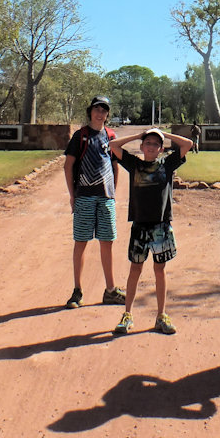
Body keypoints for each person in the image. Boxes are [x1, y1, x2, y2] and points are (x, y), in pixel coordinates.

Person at [108, 127, 194, 335]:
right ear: (142, 146)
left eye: (156, 144)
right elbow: (113, 145)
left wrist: (164, 133)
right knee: (135, 269)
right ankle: (127, 314)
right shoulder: (134, 164)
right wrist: (139, 135)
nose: (151, 147)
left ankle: (161, 315)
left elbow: (188, 144)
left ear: (161, 148)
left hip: (161, 226)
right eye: (148, 143)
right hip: (140, 225)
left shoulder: (167, 164)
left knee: (159, 270)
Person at [63, 95, 125, 309]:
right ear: (90, 111)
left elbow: (115, 165)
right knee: (81, 242)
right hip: (84, 197)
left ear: (107, 114)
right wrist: (73, 195)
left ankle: (110, 290)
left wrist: (113, 193)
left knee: (107, 242)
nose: (100, 113)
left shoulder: (110, 136)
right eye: (97, 109)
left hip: (105, 198)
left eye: (104, 110)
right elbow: (68, 166)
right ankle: (77, 291)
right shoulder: (80, 136)